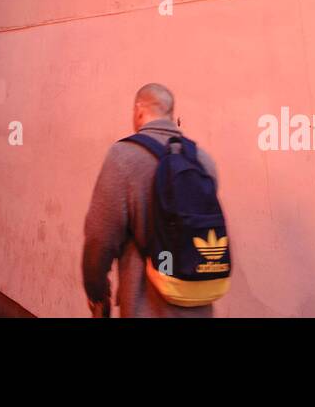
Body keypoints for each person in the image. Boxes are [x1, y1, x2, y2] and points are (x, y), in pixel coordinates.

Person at [82, 83, 220, 318]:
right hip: (199, 305)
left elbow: (100, 237)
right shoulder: (202, 160)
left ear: (139, 110)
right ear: (170, 113)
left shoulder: (124, 156)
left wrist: (97, 293)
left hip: (147, 307)